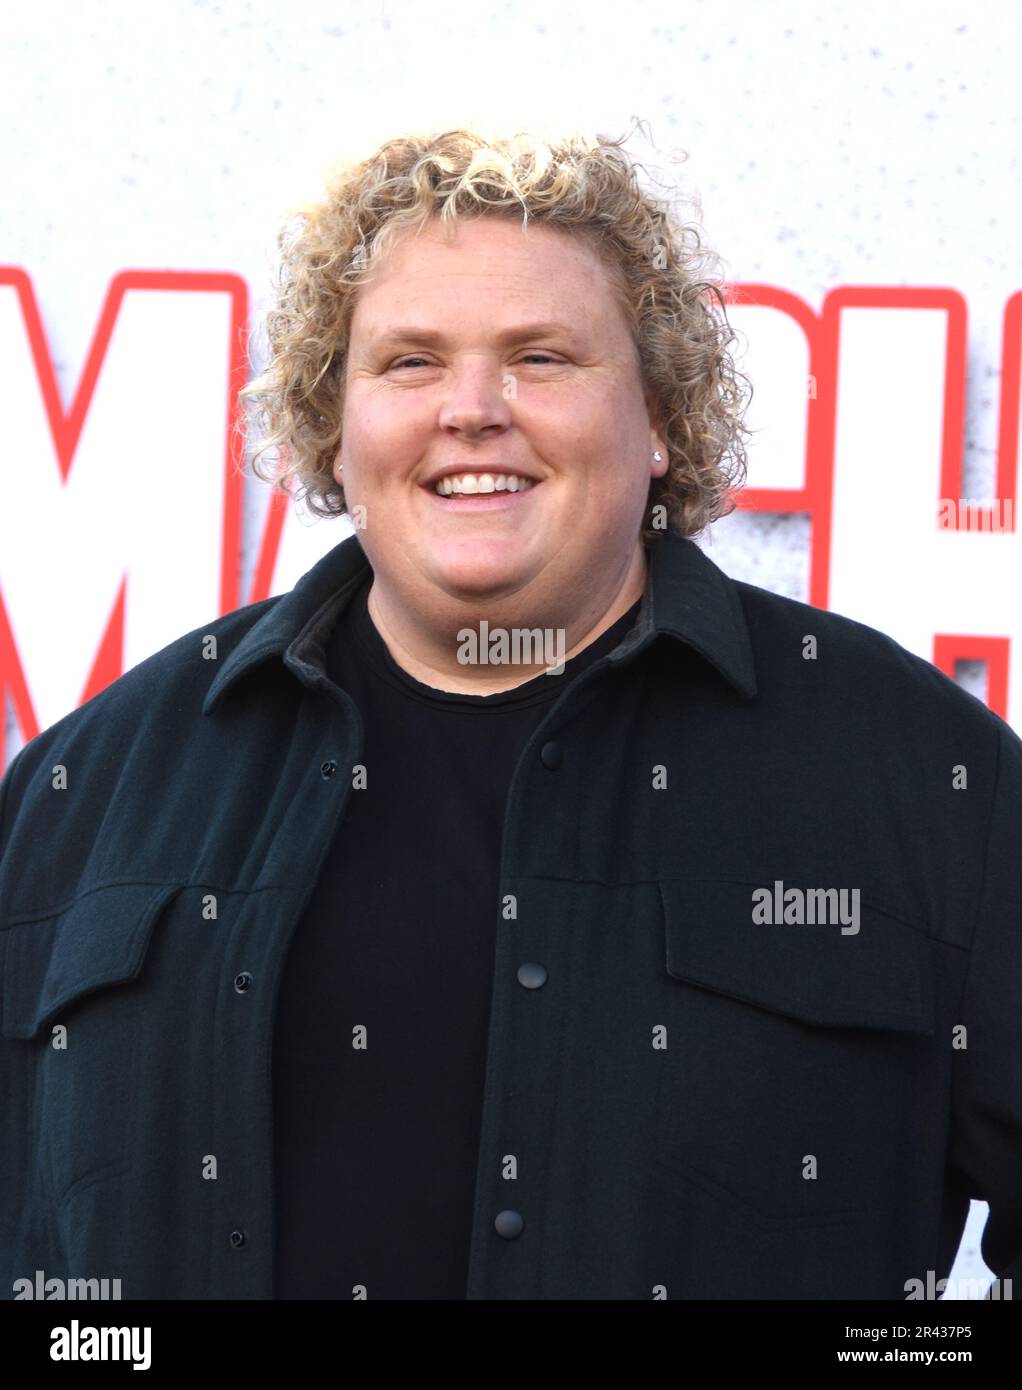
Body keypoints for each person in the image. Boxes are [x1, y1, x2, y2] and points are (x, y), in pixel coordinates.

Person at [1, 125, 1020, 1301]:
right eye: (409, 363)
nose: (472, 409)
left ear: (660, 424)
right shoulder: (92, 789)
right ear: (335, 425)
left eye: (540, 358)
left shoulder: (921, 779)